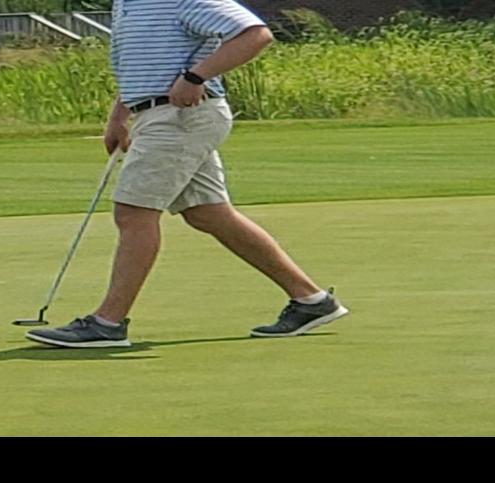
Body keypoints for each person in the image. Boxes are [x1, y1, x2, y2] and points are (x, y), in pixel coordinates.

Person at [27, 0, 348, 349]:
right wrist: (118, 116)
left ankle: (107, 322)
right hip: (158, 115)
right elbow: (142, 65)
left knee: (134, 213)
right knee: (208, 214)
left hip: (182, 117)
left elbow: (255, 34)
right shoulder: (127, 3)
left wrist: (196, 76)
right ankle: (311, 301)